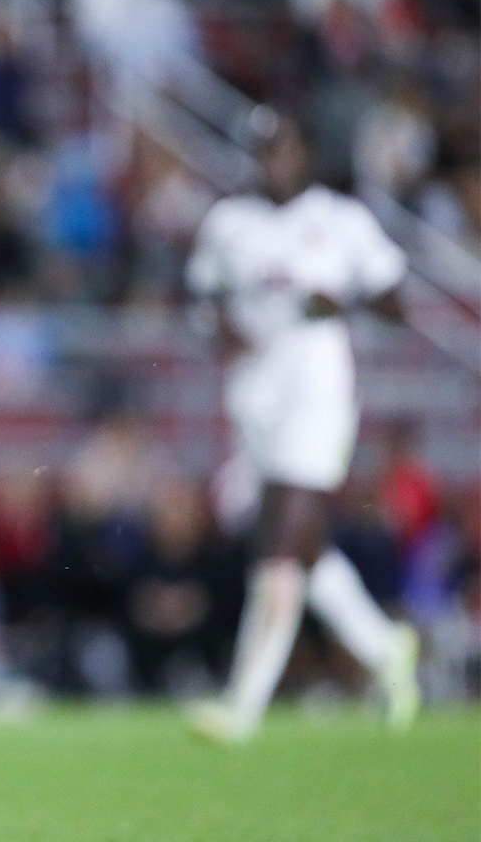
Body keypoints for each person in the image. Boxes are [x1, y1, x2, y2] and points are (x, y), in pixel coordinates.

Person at [184, 110, 421, 743]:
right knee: (302, 547)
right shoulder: (228, 224)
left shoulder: (341, 220)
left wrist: (342, 299)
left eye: (284, 149)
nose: (274, 163)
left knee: (280, 544)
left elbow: (397, 302)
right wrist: (224, 329)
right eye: (264, 151)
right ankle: (384, 647)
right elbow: (204, 304)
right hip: (254, 396)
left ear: (306, 152)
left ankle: (243, 705)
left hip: (317, 390)